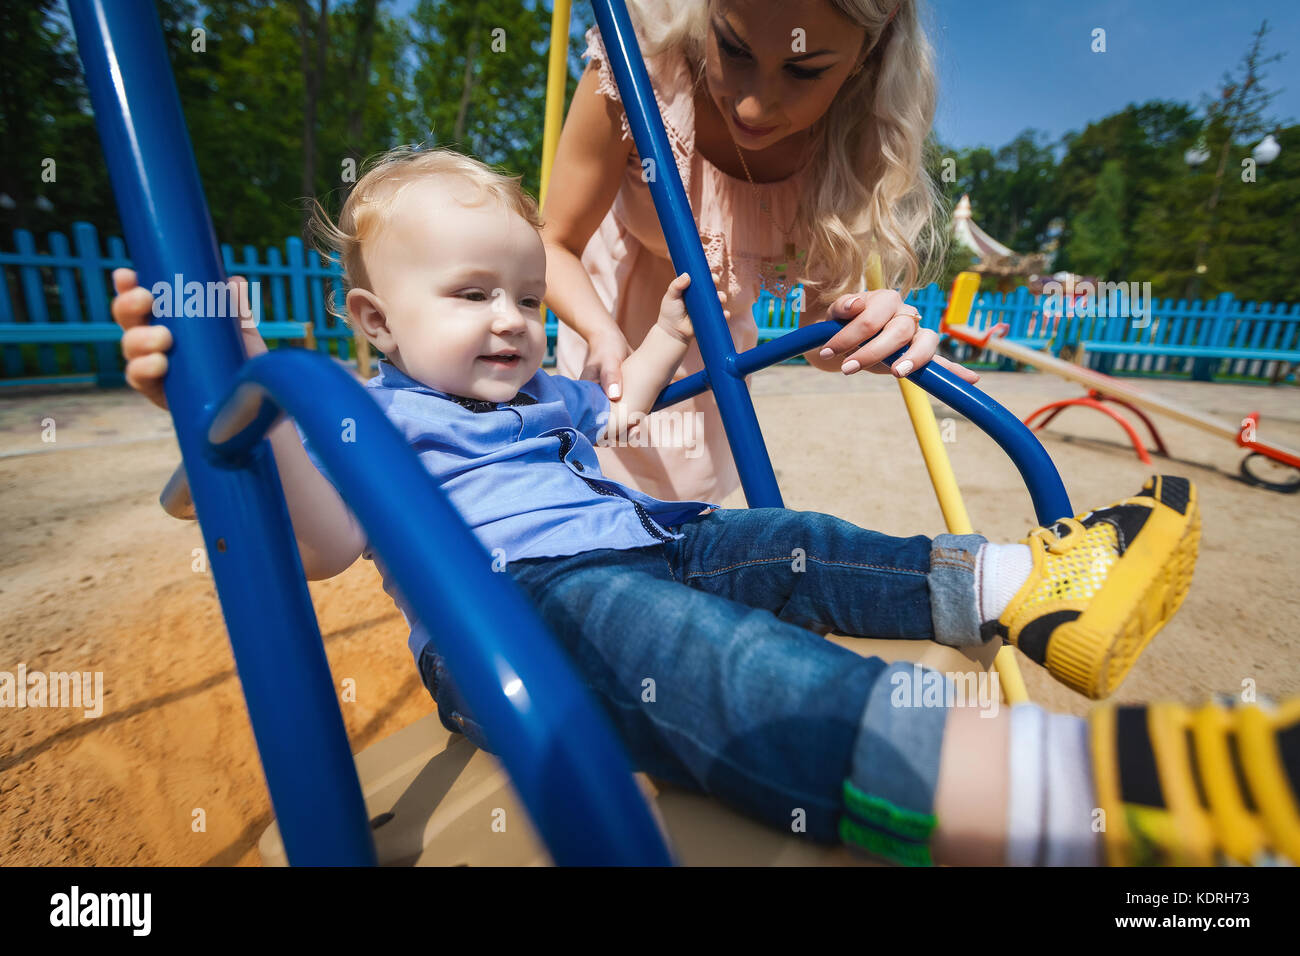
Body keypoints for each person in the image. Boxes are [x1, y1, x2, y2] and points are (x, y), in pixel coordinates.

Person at [109, 147, 1297, 868]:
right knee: (702, 650)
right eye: (473, 294)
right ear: (375, 322)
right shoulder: (365, 411)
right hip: (516, 620)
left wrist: (667, 339)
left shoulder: (543, 388)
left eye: (528, 291)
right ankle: (1051, 790)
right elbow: (315, 547)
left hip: (644, 547)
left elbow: (619, 416)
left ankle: (1022, 587)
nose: (515, 319)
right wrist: (243, 392)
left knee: (780, 540)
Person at [542, 0, 967, 504]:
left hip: (714, 377)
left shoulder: (849, 140)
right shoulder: (641, 65)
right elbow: (553, 242)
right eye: (734, 49)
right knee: (589, 509)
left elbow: (818, 336)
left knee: (692, 530)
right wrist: (602, 338)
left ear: (867, 53)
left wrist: (861, 330)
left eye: (803, 69)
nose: (752, 107)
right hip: (606, 351)